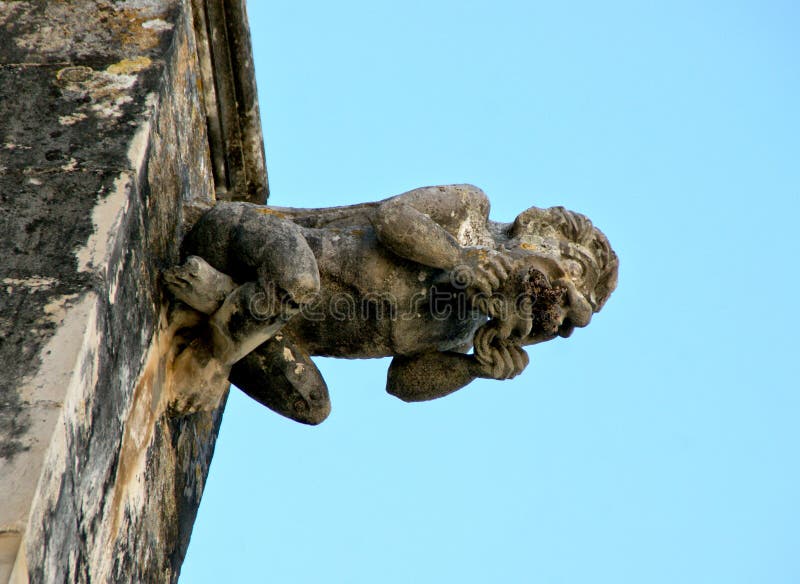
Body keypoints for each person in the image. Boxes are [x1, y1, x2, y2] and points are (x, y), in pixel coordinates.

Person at [164, 184, 618, 424]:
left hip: (271, 330)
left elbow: (402, 382)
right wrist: (459, 259)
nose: (569, 311)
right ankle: (210, 352)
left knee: (312, 405)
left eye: (565, 320)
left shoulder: (462, 329)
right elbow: (393, 218)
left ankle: (221, 303)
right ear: (540, 232)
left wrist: (472, 368)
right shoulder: (469, 214)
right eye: (573, 271)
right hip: (247, 243)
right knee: (299, 280)